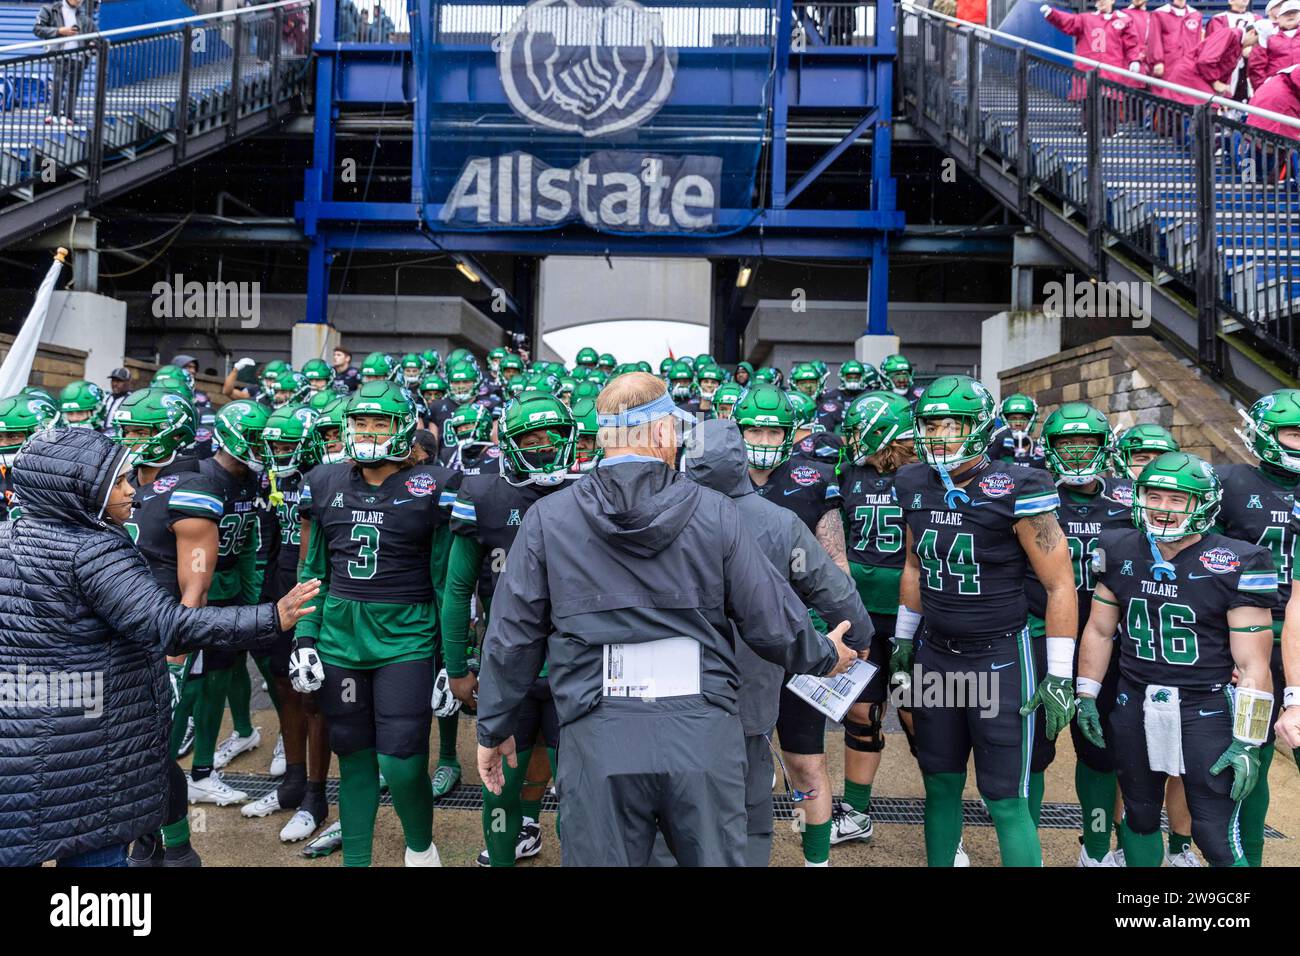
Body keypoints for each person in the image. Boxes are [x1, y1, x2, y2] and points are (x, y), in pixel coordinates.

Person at [476, 372, 862, 867]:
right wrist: (827, 654)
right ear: (661, 433)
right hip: (701, 732)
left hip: (599, 734)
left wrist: (493, 726)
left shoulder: (549, 518)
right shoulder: (717, 512)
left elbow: (511, 639)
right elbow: (770, 620)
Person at [0, 426, 319, 868]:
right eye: (120, 481)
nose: (133, 491)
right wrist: (271, 617)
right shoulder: (92, 550)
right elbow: (167, 624)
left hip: (18, 739)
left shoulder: (7, 536)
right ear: (77, 487)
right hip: (88, 746)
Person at [895, 375, 1077, 867]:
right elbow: (914, 565)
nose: (939, 435)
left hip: (1000, 657)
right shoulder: (912, 481)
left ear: (979, 428)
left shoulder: (1019, 485)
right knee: (939, 785)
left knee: (1005, 799)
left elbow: (1061, 584)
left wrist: (1060, 671)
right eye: (931, 424)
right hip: (936, 653)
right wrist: (903, 641)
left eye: (952, 424)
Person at [682, 417, 874, 866]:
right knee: (749, 811)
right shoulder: (779, 522)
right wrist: (860, 636)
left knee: (683, 807)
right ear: (741, 458)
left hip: (679, 691)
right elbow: (834, 590)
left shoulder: (666, 514)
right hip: (753, 685)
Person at [291, 381, 460, 867]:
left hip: (407, 636)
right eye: (360, 422)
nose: (367, 432)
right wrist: (305, 637)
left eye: (379, 422)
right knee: (353, 754)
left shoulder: (436, 484)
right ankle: (357, 860)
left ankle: (421, 848)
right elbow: (313, 570)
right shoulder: (323, 480)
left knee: (402, 761)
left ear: (403, 427)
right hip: (341, 638)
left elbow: (447, 580)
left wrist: (454, 656)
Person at [1078, 453, 1275, 867]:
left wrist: (1249, 739)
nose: (1162, 508)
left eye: (1176, 499)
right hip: (1135, 698)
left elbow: (1255, 662)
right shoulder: (1117, 546)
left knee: (1213, 830)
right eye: (1154, 496)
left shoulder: (1239, 560)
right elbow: (1099, 630)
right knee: (1140, 815)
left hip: (1204, 706)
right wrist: (1086, 693)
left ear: (1202, 504)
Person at [442, 390, 579, 866]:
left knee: (580, 795)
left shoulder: (591, 490)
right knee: (500, 781)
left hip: (575, 664)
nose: (544, 446)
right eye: (532, 437)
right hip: (509, 664)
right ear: (509, 442)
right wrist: (457, 665)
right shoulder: (484, 492)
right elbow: (458, 589)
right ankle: (509, 847)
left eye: (553, 436)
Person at [733, 383, 848, 866]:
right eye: (754, 427)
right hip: (737, 643)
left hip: (797, 639)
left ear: (790, 432)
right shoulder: (710, 479)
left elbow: (836, 567)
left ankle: (816, 861)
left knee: (805, 761)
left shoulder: (812, 479)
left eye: (772, 427)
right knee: (734, 759)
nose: (762, 436)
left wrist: (827, 634)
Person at [1211, 389, 1300, 865]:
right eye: (1294, 432)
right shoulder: (1228, 484)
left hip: (1298, 633)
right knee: (1253, 761)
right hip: (1252, 636)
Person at [835, 392, 919, 849]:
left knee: (917, 716)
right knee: (861, 713)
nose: (850, 441)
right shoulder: (847, 474)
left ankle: (945, 818)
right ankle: (856, 812)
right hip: (863, 615)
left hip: (913, 618)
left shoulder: (927, 474)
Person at [33, 0, 94, 126]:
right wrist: (59, 31)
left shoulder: (84, 17)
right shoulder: (50, 9)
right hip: (59, 54)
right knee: (57, 84)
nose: (79, 1)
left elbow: (95, 35)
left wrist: (92, 42)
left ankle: (68, 115)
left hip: (78, 55)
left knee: (73, 87)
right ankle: (53, 114)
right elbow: (38, 29)